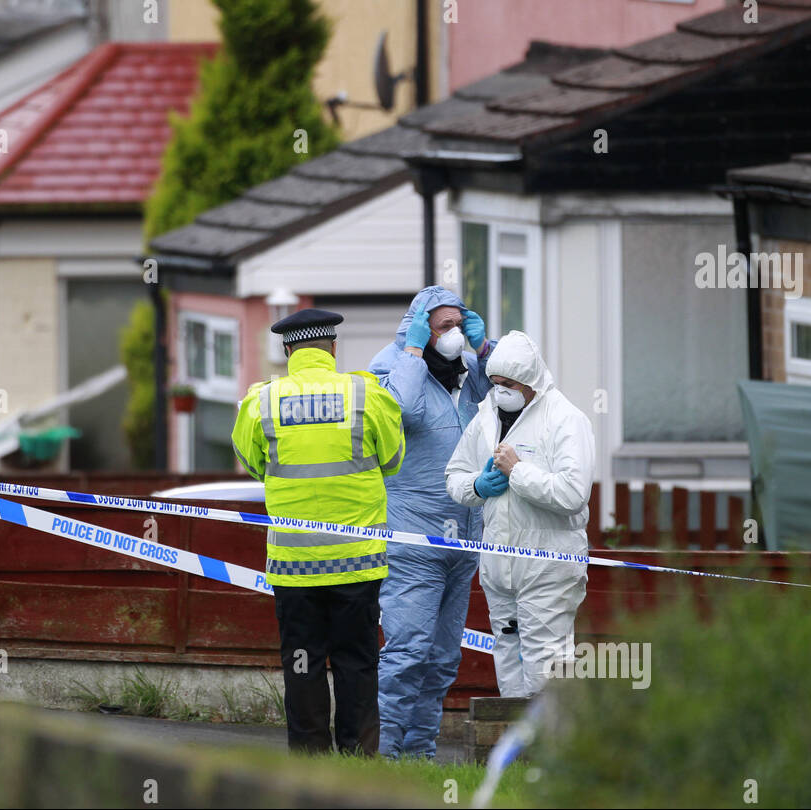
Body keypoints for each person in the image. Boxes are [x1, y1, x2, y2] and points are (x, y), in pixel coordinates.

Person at [231, 307, 405, 754]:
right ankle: (359, 763)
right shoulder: (366, 395)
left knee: (302, 666)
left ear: (288, 350)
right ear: (332, 348)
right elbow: (392, 460)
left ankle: (310, 769)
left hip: (295, 566)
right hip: (358, 562)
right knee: (357, 663)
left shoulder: (262, 400)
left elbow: (254, 465)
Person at [368, 285, 495, 759]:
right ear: (419, 329)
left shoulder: (465, 375)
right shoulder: (393, 367)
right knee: (406, 655)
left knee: (443, 660)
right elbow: (398, 409)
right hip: (411, 541)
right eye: (445, 327)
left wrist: (485, 349)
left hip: (463, 542)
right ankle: (382, 755)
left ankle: (419, 756)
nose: (454, 336)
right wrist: (413, 351)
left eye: (459, 325)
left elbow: (515, 392)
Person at [445, 330, 595, 699]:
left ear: (530, 381)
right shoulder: (486, 417)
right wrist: (477, 487)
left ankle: (551, 752)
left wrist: (518, 472)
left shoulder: (565, 420)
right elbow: (454, 476)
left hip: (549, 567)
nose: (500, 391)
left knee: (548, 664)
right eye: (495, 383)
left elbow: (572, 494)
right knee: (508, 658)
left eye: (509, 383)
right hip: (499, 568)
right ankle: (515, 748)